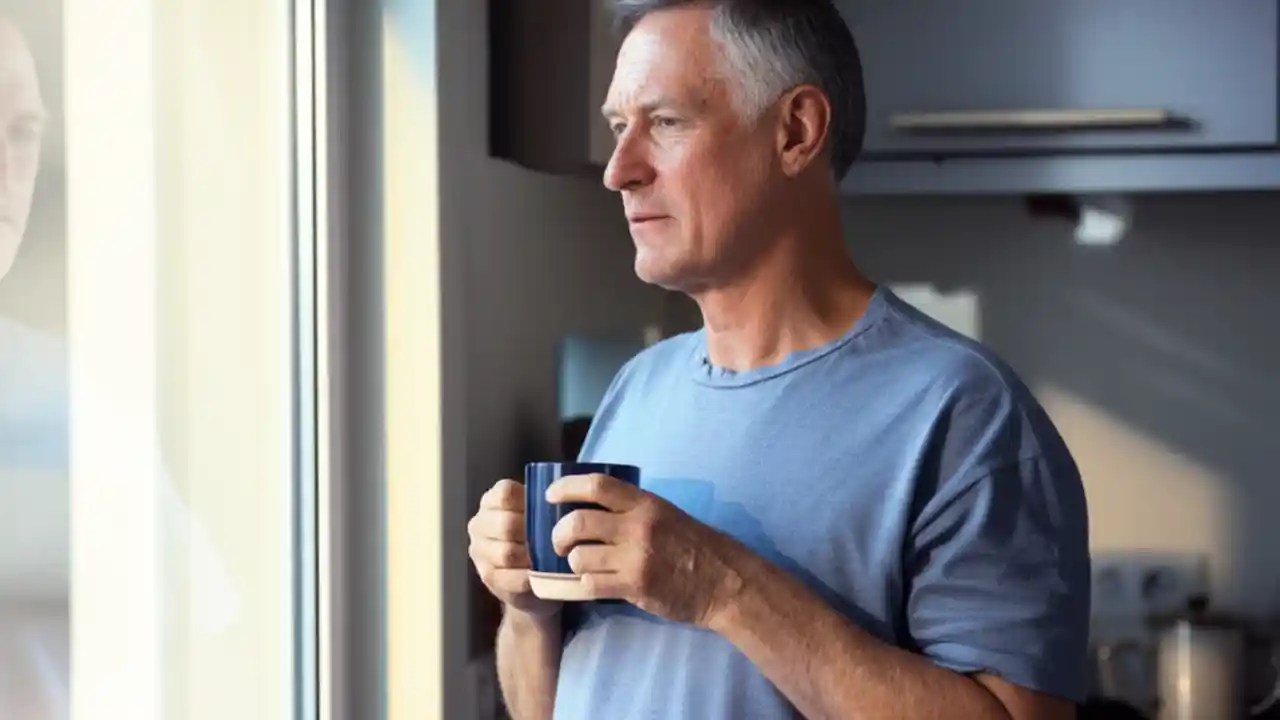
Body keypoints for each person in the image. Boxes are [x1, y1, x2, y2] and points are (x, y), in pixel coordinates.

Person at [467, 1, 1090, 718]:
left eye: (665, 123)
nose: (619, 170)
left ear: (795, 131)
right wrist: (527, 613)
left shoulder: (962, 414)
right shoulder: (637, 388)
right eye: (618, 128)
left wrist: (721, 589)